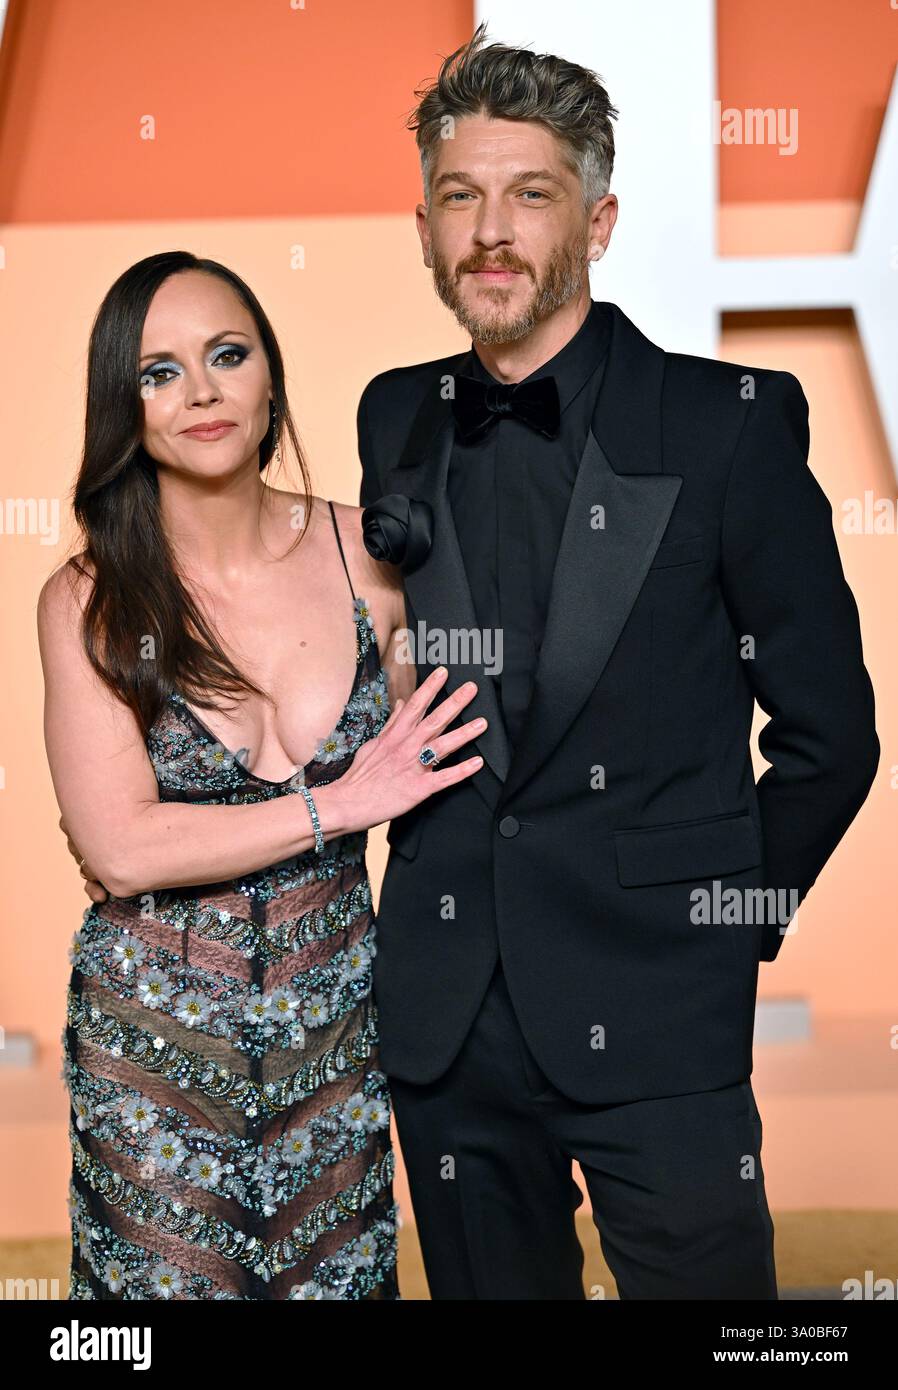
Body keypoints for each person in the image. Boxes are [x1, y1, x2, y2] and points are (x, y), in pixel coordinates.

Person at [356, 26, 880, 1299]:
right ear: (423, 225)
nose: (490, 230)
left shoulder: (727, 424)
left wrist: (721, 927)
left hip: (659, 1005)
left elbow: (829, 736)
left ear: (594, 222)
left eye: (528, 195)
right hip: (450, 1011)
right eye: (459, 196)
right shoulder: (392, 411)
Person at [39, 251, 484, 1300]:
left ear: (269, 380)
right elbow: (120, 845)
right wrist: (341, 803)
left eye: (226, 355)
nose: (200, 391)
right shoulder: (88, 600)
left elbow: (456, 756)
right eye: (158, 372)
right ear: (123, 406)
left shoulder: (374, 562)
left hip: (337, 1042)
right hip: (152, 1055)